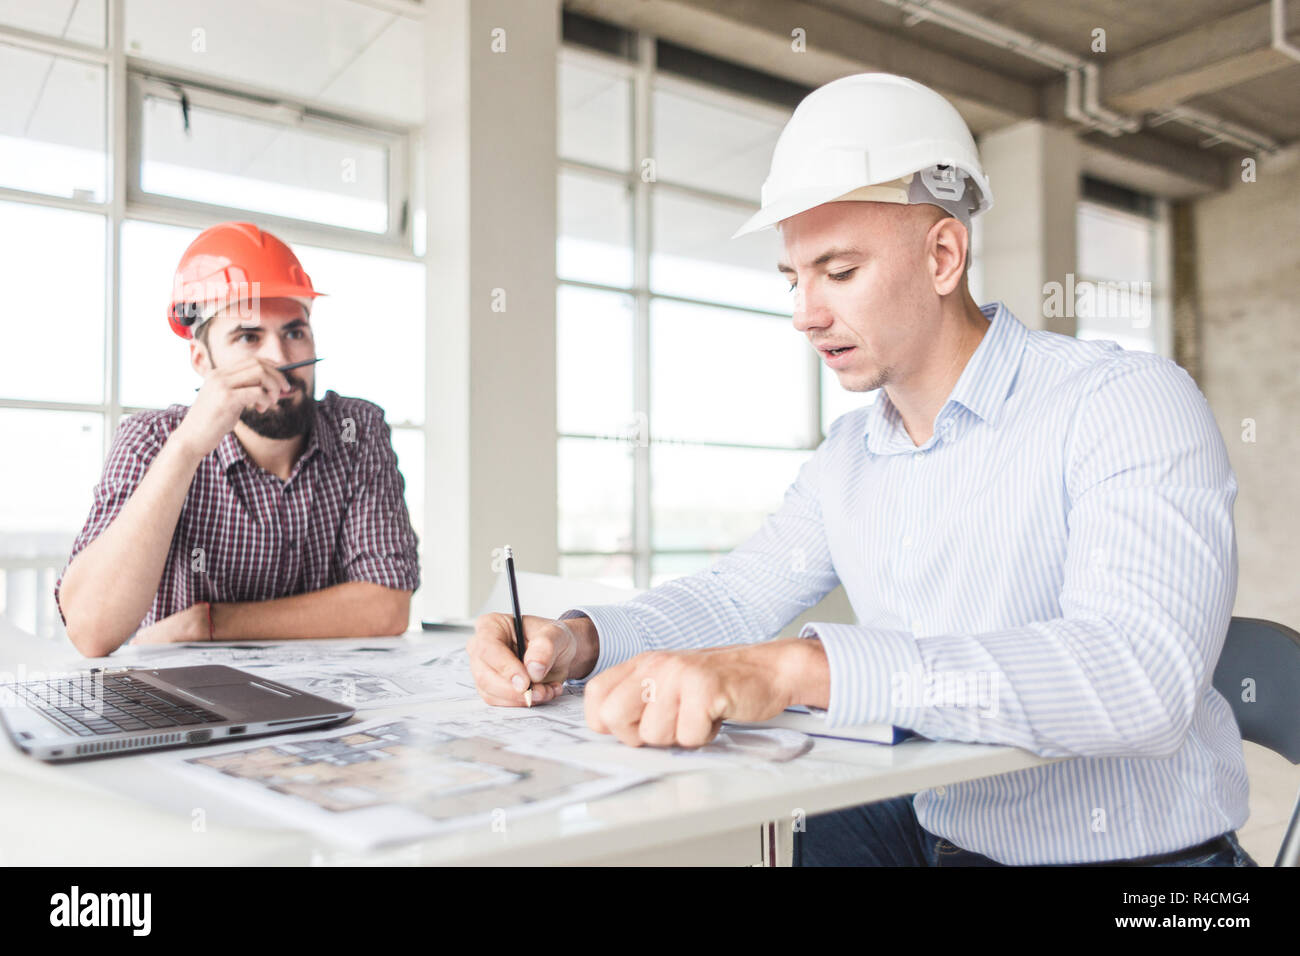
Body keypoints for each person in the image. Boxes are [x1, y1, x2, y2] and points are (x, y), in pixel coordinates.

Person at [468, 73, 1256, 867]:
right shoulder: (850, 455)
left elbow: (1137, 679)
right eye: (794, 278)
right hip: (944, 829)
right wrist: (578, 639)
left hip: (1143, 864)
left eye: (838, 272)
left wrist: (804, 668)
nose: (805, 313)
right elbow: (737, 597)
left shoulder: (1124, 402)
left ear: (944, 253)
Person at [56, 221, 420, 657]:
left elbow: (386, 607)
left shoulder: (357, 431)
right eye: (249, 337)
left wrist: (210, 622)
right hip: (186, 711)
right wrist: (187, 447)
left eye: (294, 332)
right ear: (202, 360)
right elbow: (91, 631)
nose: (280, 361)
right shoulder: (152, 439)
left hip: (326, 705)